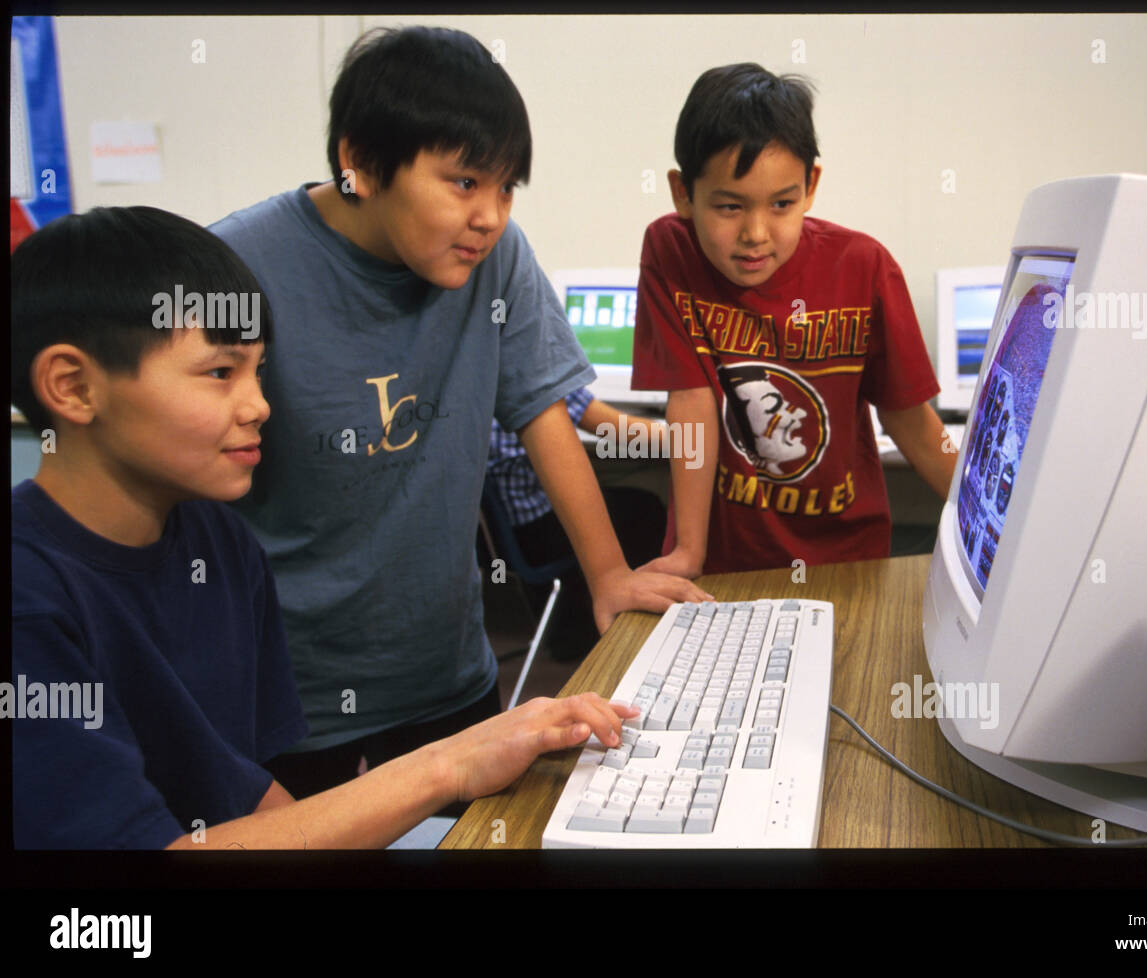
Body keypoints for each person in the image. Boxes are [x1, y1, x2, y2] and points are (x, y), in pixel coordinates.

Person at [9, 206, 638, 849]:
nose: (259, 405)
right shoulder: (28, 597)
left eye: (258, 372)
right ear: (74, 386)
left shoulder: (218, 543)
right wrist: (446, 765)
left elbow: (248, 794)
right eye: (221, 373)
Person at [207, 26, 706, 800]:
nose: (491, 215)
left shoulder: (494, 258)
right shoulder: (240, 267)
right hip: (287, 686)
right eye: (465, 182)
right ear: (360, 163)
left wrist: (607, 576)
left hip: (444, 670)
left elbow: (544, 408)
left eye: (507, 188)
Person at [631, 63, 958, 577]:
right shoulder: (671, 252)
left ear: (811, 186)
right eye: (729, 206)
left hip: (847, 561)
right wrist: (688, 552)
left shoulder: (864, 267)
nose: (756, 233)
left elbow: (911, 420)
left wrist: (994, 523)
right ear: (682, 194)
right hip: (724, 565)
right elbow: (691, 402)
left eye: (782, 204)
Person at [485, 387, 668, 660]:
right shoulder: (538, 381)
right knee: (646, 507)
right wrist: (698, 438)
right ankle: (640, 633)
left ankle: (572, 631)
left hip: (506, 538)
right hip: (543, 531)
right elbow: (620, 430)